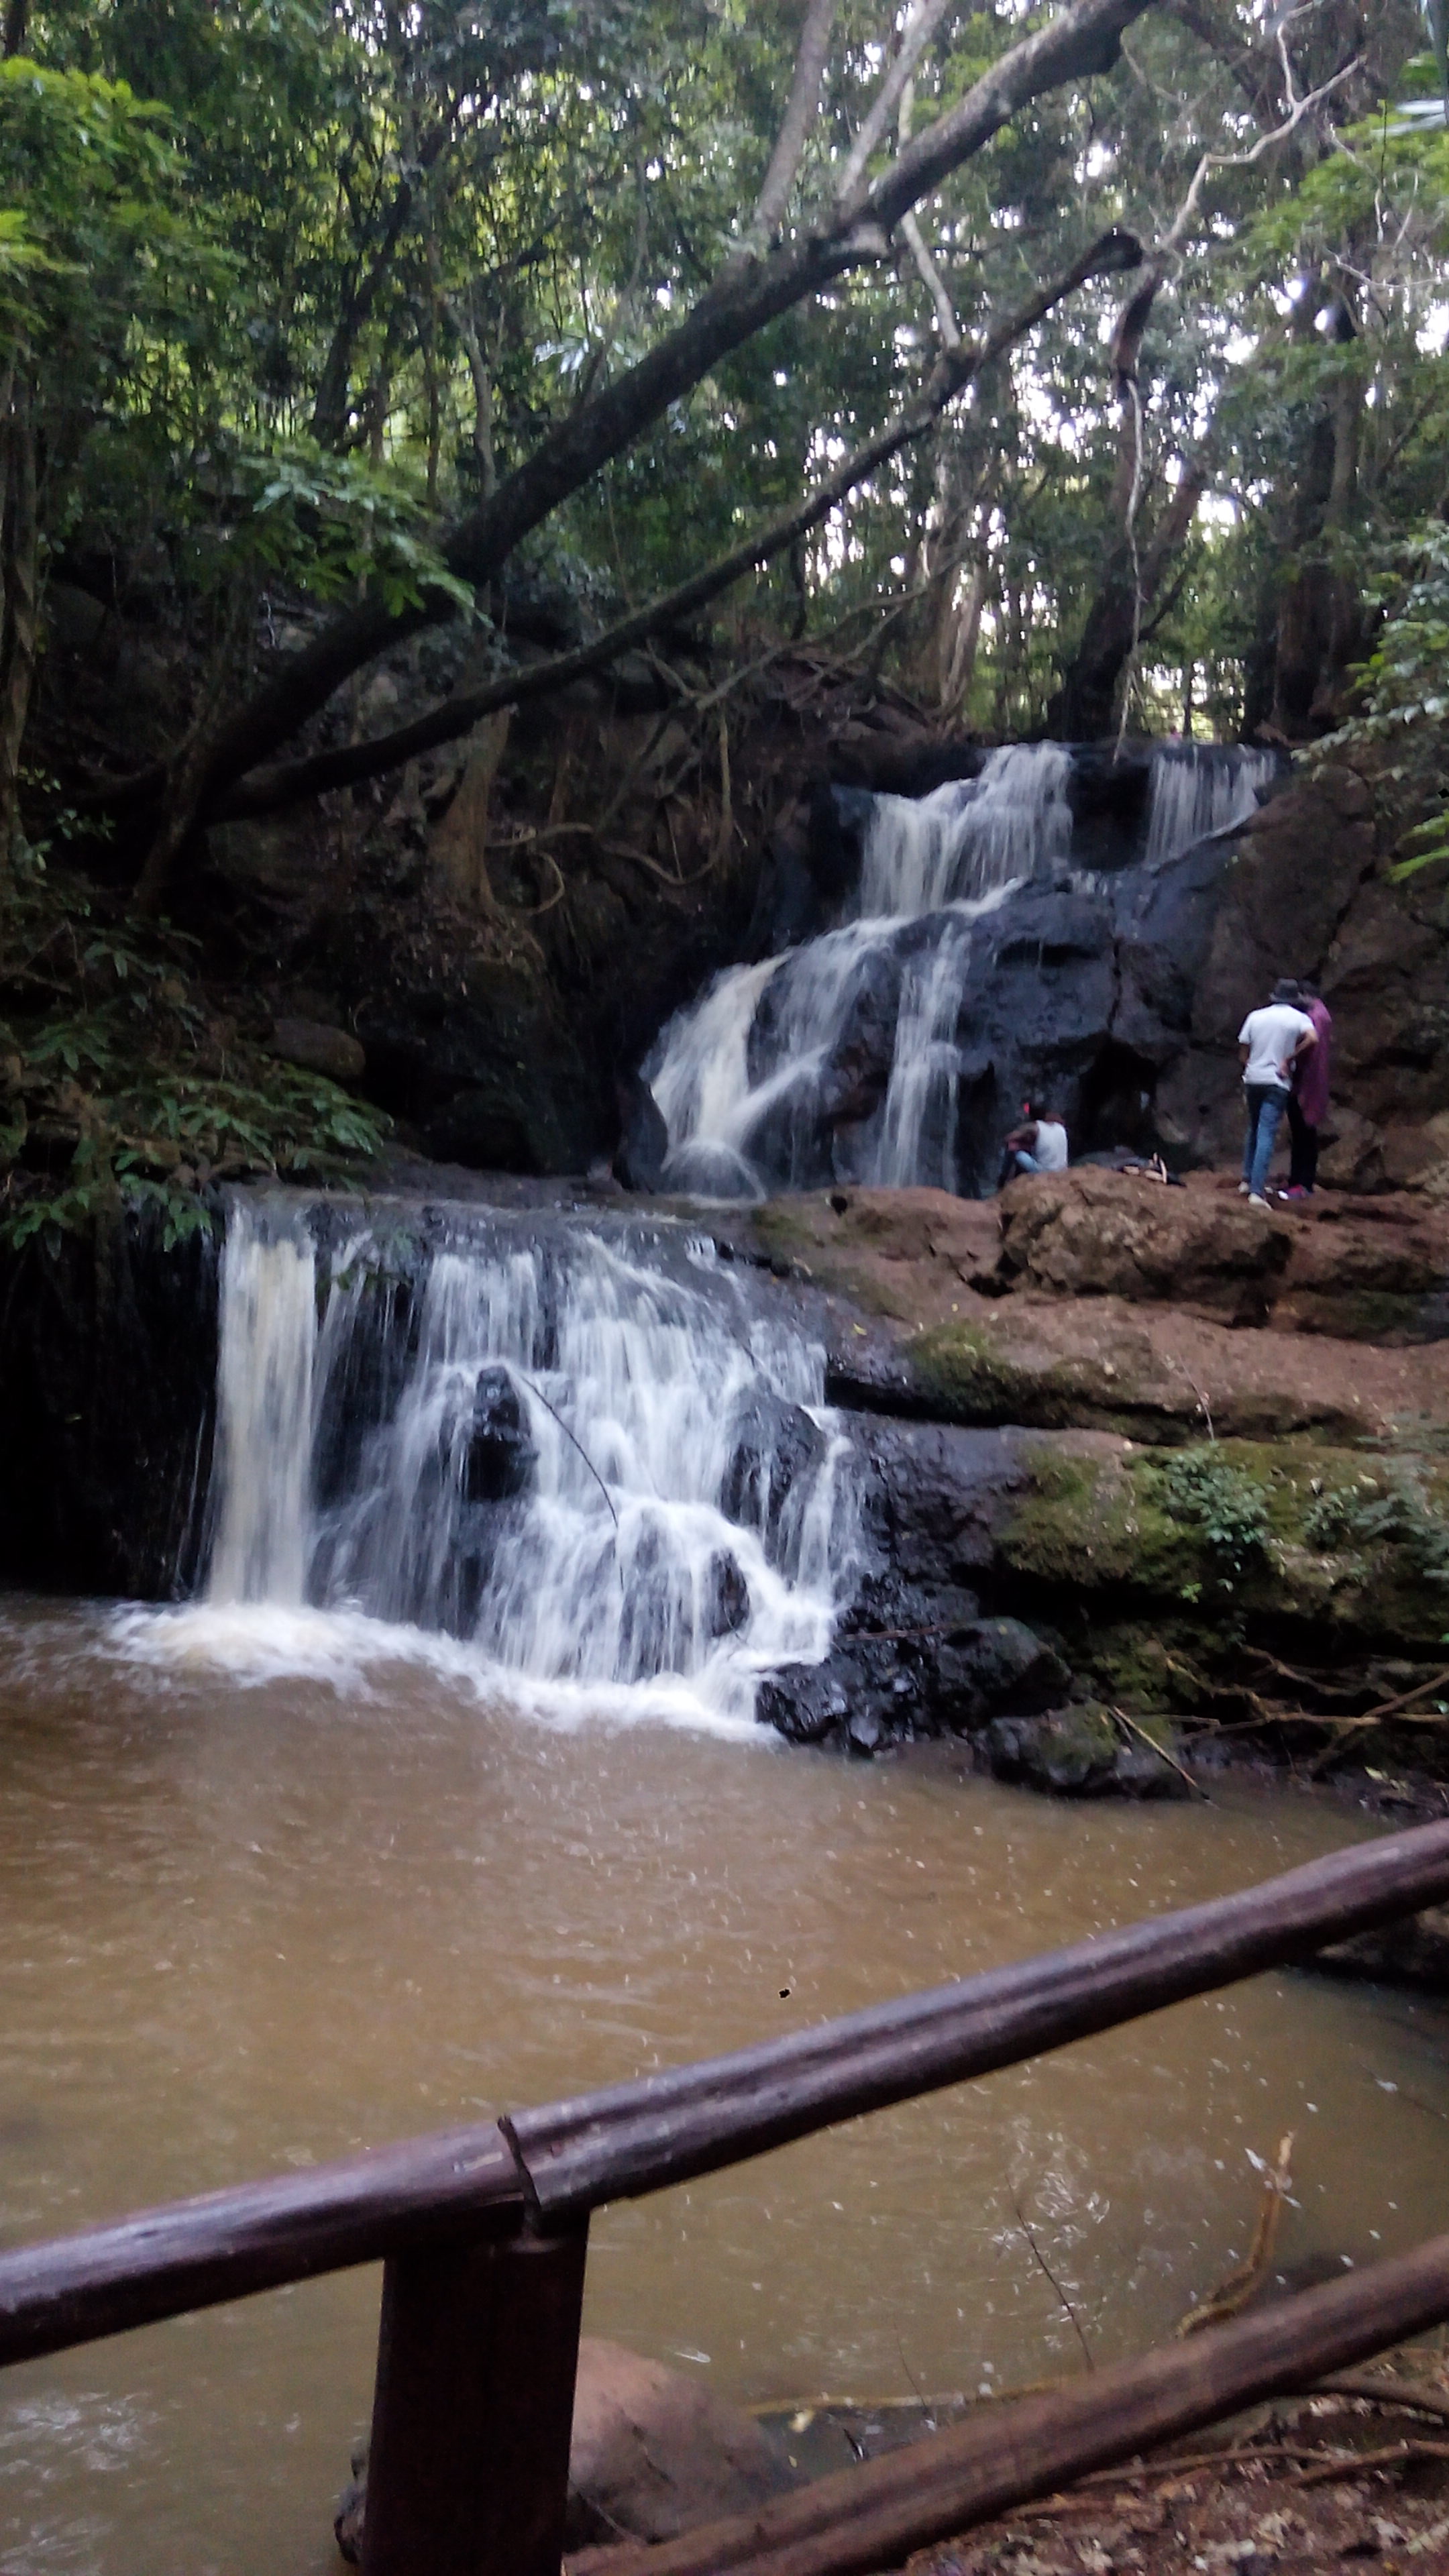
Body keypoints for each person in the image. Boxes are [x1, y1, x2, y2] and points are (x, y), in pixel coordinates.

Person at [1238, 977, 1316, 1207]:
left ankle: (1246, 1179)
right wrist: (1290, 1057)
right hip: (1277, 1081)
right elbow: (1313, 1039)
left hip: (1253, 1078)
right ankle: (1256, 1191)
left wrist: (1249, 1067)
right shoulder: (1299, 1018)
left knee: (1253, 1127)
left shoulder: (1256, 1016)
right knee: (1266, 1133)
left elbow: (1243, 1049)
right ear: (1294, 1000)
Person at [1281, 977, 1332, 1199]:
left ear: (1304, 995)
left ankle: (1303, 1184)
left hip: (1307, 1084)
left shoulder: (1316, 1018)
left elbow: (1310, 1048)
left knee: (1305, 1134)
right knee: (1302, 1133)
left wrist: (1290, 1059)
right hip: (1310, 1082)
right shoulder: (1321, 1014)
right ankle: (1297, 1181)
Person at [1001, 1100, 1069, 1183]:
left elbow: (1008, 1138)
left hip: (1045, 1172)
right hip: (1062, 1171)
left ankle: (1005, 1180)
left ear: (1031, 1115)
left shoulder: (1033, 1127)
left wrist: (1021, 1141)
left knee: (1015, 1151)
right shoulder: (1059, 1126)